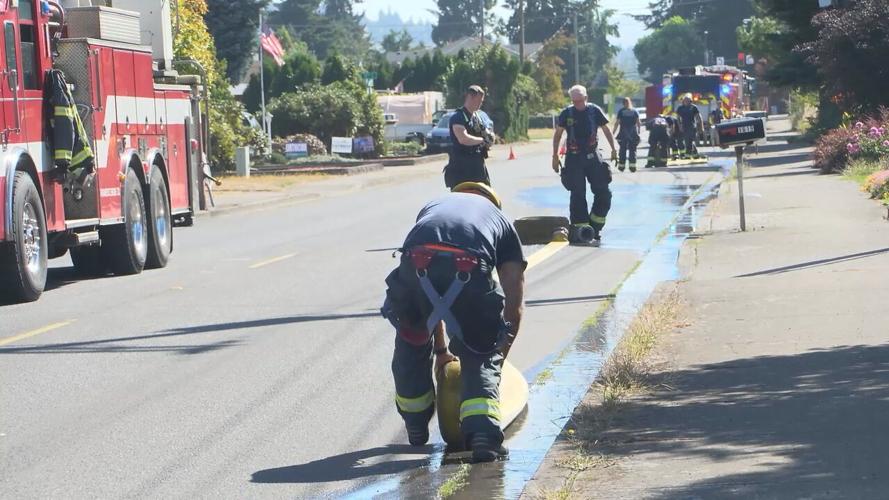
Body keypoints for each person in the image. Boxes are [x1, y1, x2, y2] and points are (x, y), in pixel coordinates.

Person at [381, 181, 526, 463]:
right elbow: (514, 304)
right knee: (479, 350)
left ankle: (415, 421)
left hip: (415, 260)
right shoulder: (500, 221)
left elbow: (433, 298)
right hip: (470, 263)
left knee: (412, 335)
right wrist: (495, 355)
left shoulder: (434, 205)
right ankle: (482, 434)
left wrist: (440, 351)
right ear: (493, 202)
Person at [551, 85, 617, 244]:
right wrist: (554, 156)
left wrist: (614, 149)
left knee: (604, 192)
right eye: (574, 101)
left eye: (580, 101)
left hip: (593, 156)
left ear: (586, 98)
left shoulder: (594, 111)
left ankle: (595, 227)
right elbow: (558, 134)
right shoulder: (566, 113)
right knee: (578, 195)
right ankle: (581, 230)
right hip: (574, 159)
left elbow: (606, 130)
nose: (577, 104)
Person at [444, 85, 495, 189]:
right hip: (461, 168)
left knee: (485, 196)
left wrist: (490, 138)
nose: (480, 104)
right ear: (470, 97)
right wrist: (482, 140)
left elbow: (489, 131)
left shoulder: (478, 118)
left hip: (477, 166)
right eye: (479, 101)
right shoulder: (458, 117)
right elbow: (463, 139)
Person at [612, 97, 641, 173]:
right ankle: (632, 167)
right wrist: (639, 131)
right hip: (633, 133)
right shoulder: (634, 111)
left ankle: (621, 167)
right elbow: (638, 122)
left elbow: (617, 123)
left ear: (623, 103)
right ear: (630, 102)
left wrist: (613, 132)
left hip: (623, 133)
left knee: (622, 150)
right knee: (632, 150)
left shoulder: (621, 111)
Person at [676, 95, 704, 159]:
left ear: (690, 101)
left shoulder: (694, 107)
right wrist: (679, 126)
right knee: (687, 141)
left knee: (690, 140)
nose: (687, 102)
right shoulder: (680, 108)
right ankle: (695, 154)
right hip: (684, 126)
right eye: (685, 100)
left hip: (692, 126)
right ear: (683, 101)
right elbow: (678, 118)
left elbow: (699, 117)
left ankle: (688, 155)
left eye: (688, 100)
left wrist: (701, 126)